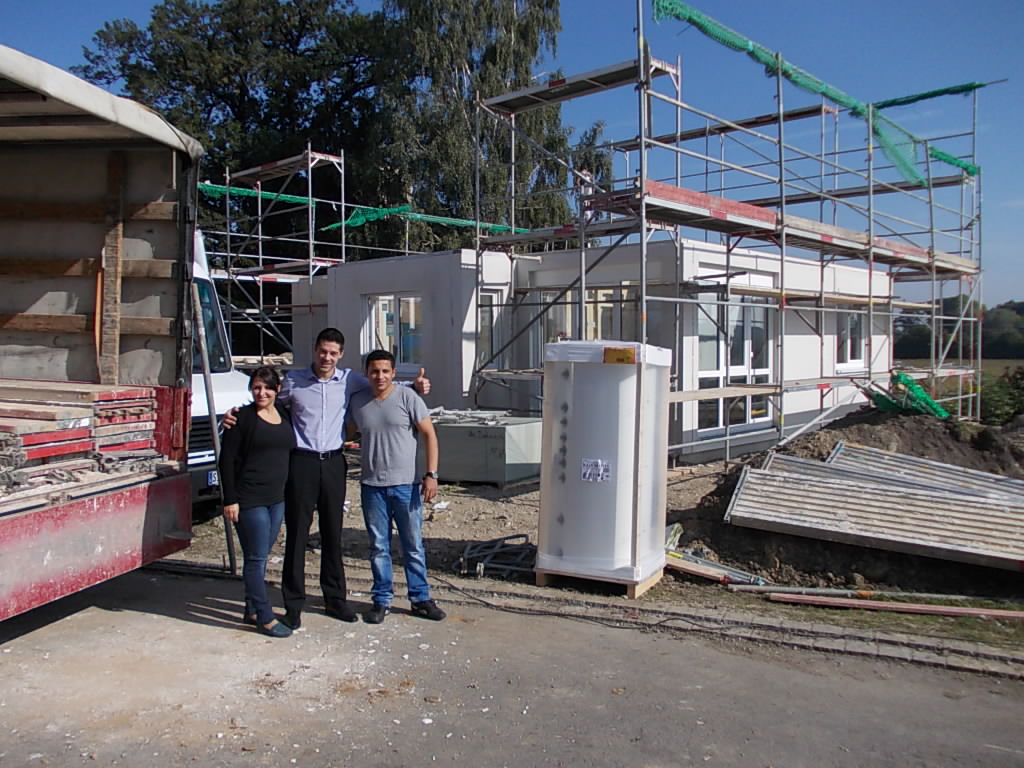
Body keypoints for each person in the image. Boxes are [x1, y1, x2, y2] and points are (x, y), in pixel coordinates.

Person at [223, 328, 430, 631]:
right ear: (315, 349)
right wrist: (235, 415)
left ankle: (335, 599)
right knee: (297, 535)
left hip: (333, 463)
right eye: (323, 351)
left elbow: (381, 383)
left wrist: (414, 384)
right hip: (301, 463)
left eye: (333, 353)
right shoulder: (293, 381)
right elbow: (264, 400)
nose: (327, 357)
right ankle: (293, 604)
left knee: (333, 534)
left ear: (341, 355)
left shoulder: (349, 380)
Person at [347, 349, 445, 624]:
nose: (380, 376)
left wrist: (431, 474)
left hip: (406, 485)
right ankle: (381, 600)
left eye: (385, 371)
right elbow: (347, 432)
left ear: (393, 373)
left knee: (412, 544)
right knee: (378, 546)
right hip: (371, 486)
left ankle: (420, 598)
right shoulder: (358, 401)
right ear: (366, 373)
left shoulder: (408, 397)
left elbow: (429, 434)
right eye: (374, 371)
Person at [218, 366, 295, 638]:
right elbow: (226, 461)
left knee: (261, 557)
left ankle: (250, 609)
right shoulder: (242, 418)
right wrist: (230, 500)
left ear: (277, 390)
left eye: (267, 387)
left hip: (276, 498)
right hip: (249, 499)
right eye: (256, 387)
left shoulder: (283, 414)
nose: (261, 393)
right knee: (255, 558)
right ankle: (265, 616)